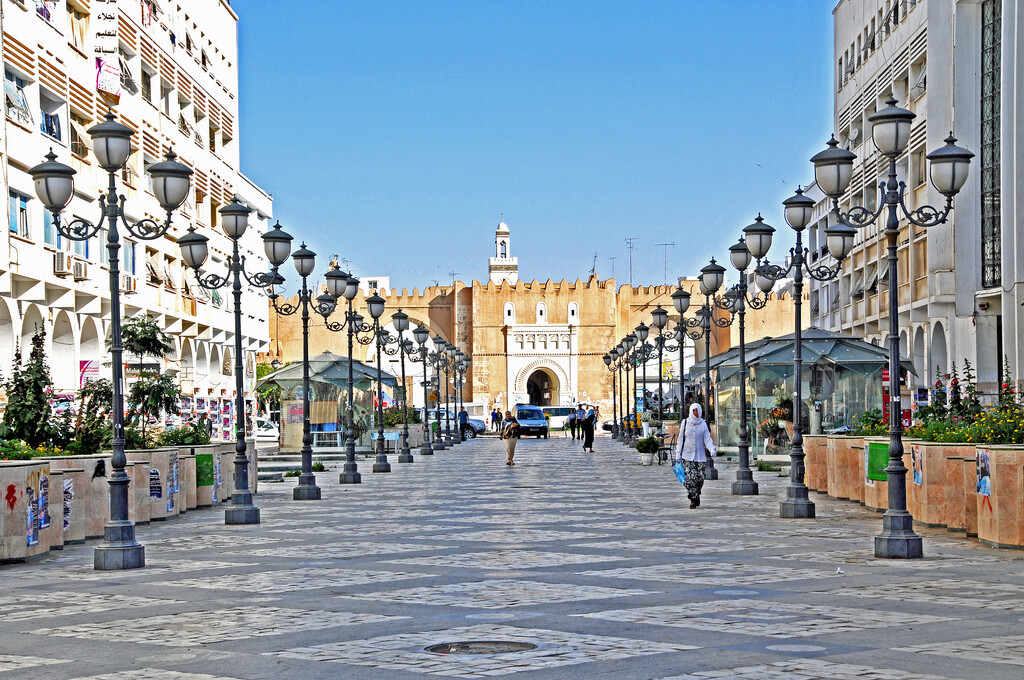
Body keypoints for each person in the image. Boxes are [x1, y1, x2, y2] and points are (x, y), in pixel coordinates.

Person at [675, 403, 716, 508]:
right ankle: (693, 499)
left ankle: (696, 494)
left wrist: (712, 449)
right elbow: (680, 439)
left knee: (700, 478)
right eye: (694, 411)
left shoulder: (703, 424)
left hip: (700, 456)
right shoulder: (685, 423)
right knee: (691, 477)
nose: (696, 413)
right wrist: (678, 454)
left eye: (697, 411)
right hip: (687, 455)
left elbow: (707, 438)